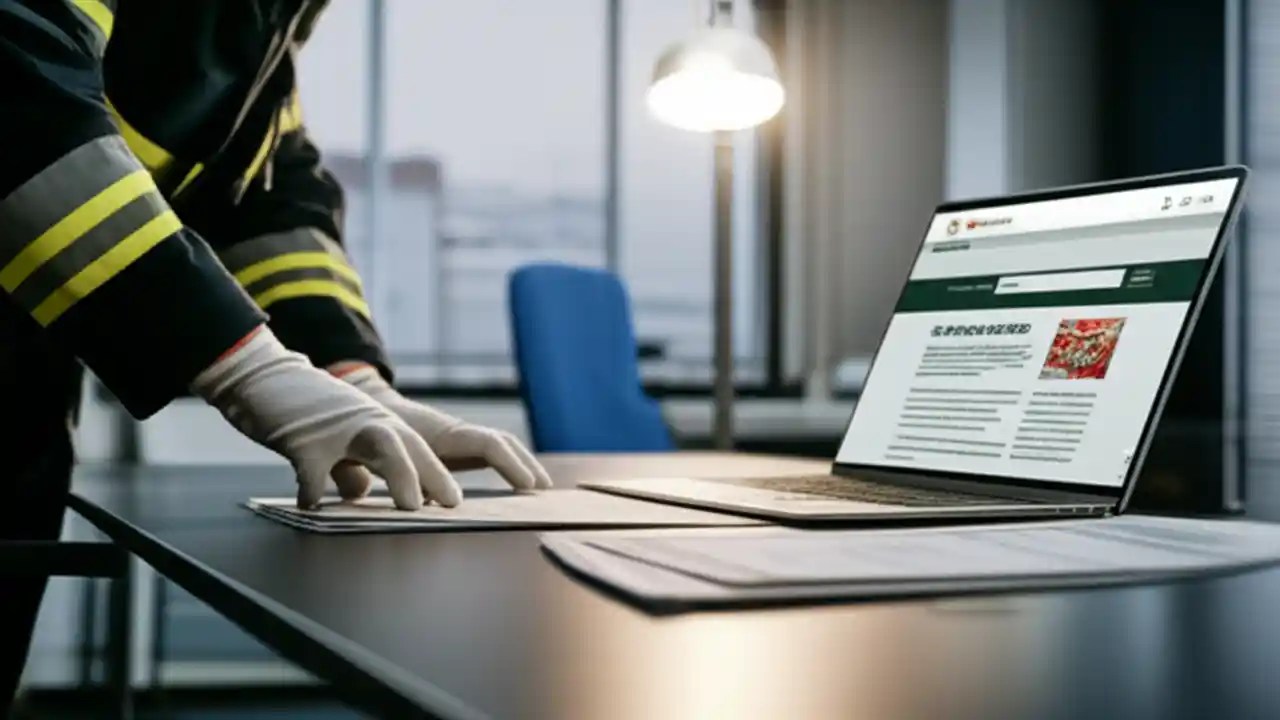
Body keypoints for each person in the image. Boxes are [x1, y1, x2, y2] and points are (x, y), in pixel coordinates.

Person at [0, 1, 551, 711]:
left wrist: (352, 376)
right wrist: (244, 365)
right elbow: (18, 91)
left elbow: (264, 195)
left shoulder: (263, 18)